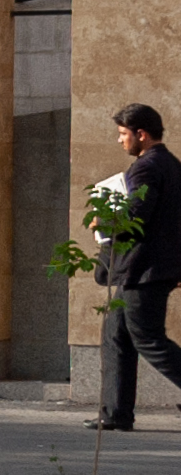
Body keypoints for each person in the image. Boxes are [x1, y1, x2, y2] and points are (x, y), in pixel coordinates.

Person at [95, 102, 181, 432]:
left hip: (143, 269)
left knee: (147, 338)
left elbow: (135, 219)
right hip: (151, 269)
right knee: (116, 334)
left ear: (140, 134)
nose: (120, 141)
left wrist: (101, 222)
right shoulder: (172, 164)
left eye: (123, 134)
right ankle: (116, 412)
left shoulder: (146, 168)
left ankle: (116, 412)